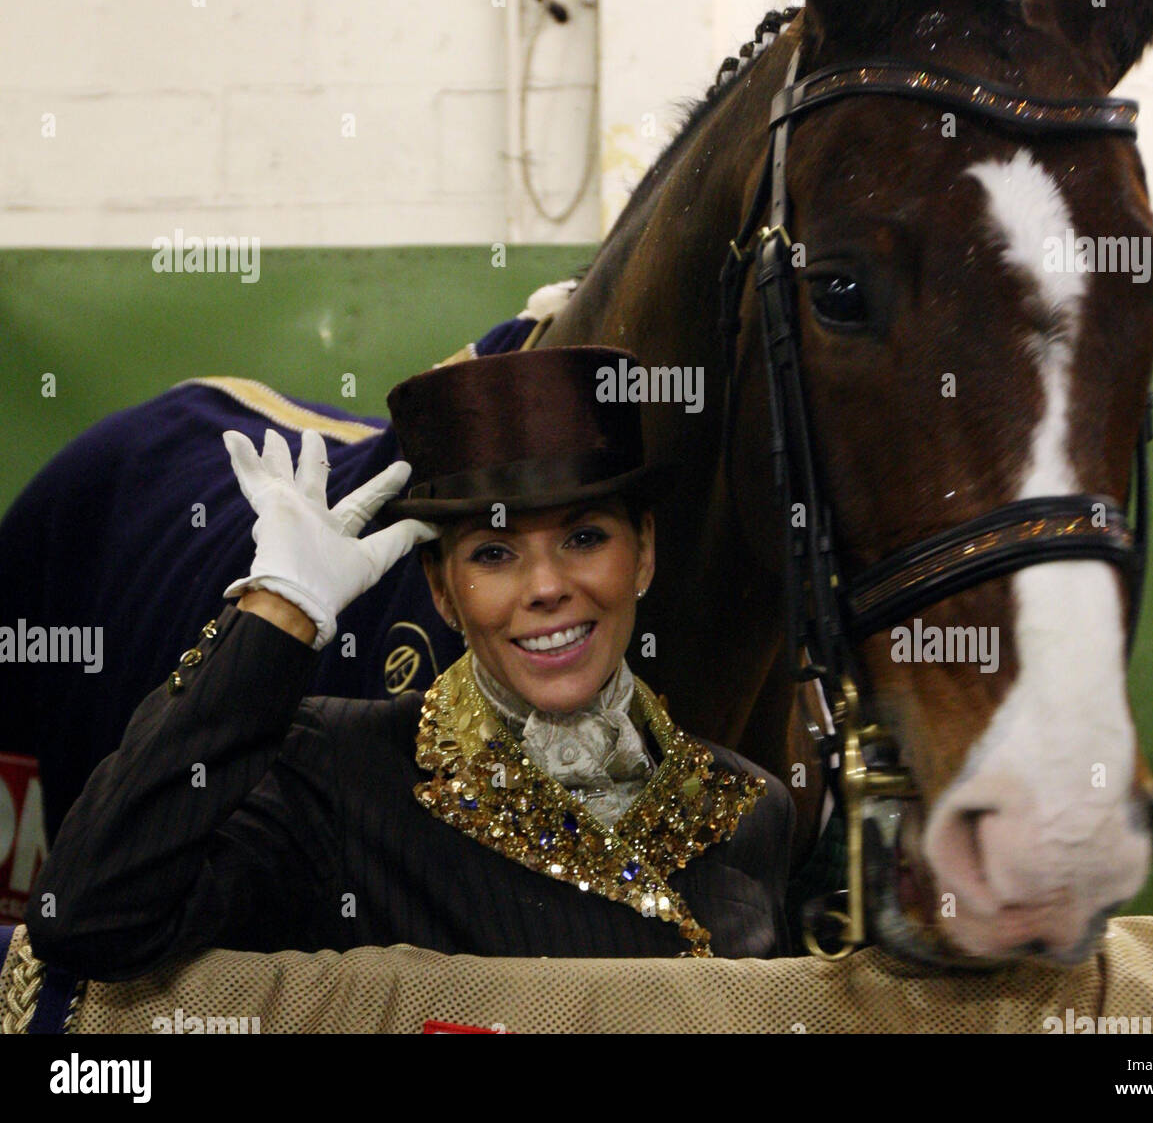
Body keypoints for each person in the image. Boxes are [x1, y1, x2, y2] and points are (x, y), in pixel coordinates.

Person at [25, 346, 794, 980]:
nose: (548, 587)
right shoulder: (334, 775)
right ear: (442, 592)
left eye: (585, 537)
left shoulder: (750, 808)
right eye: (494, 554)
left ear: (645, 554)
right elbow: (92, 916)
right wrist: (277, 612)